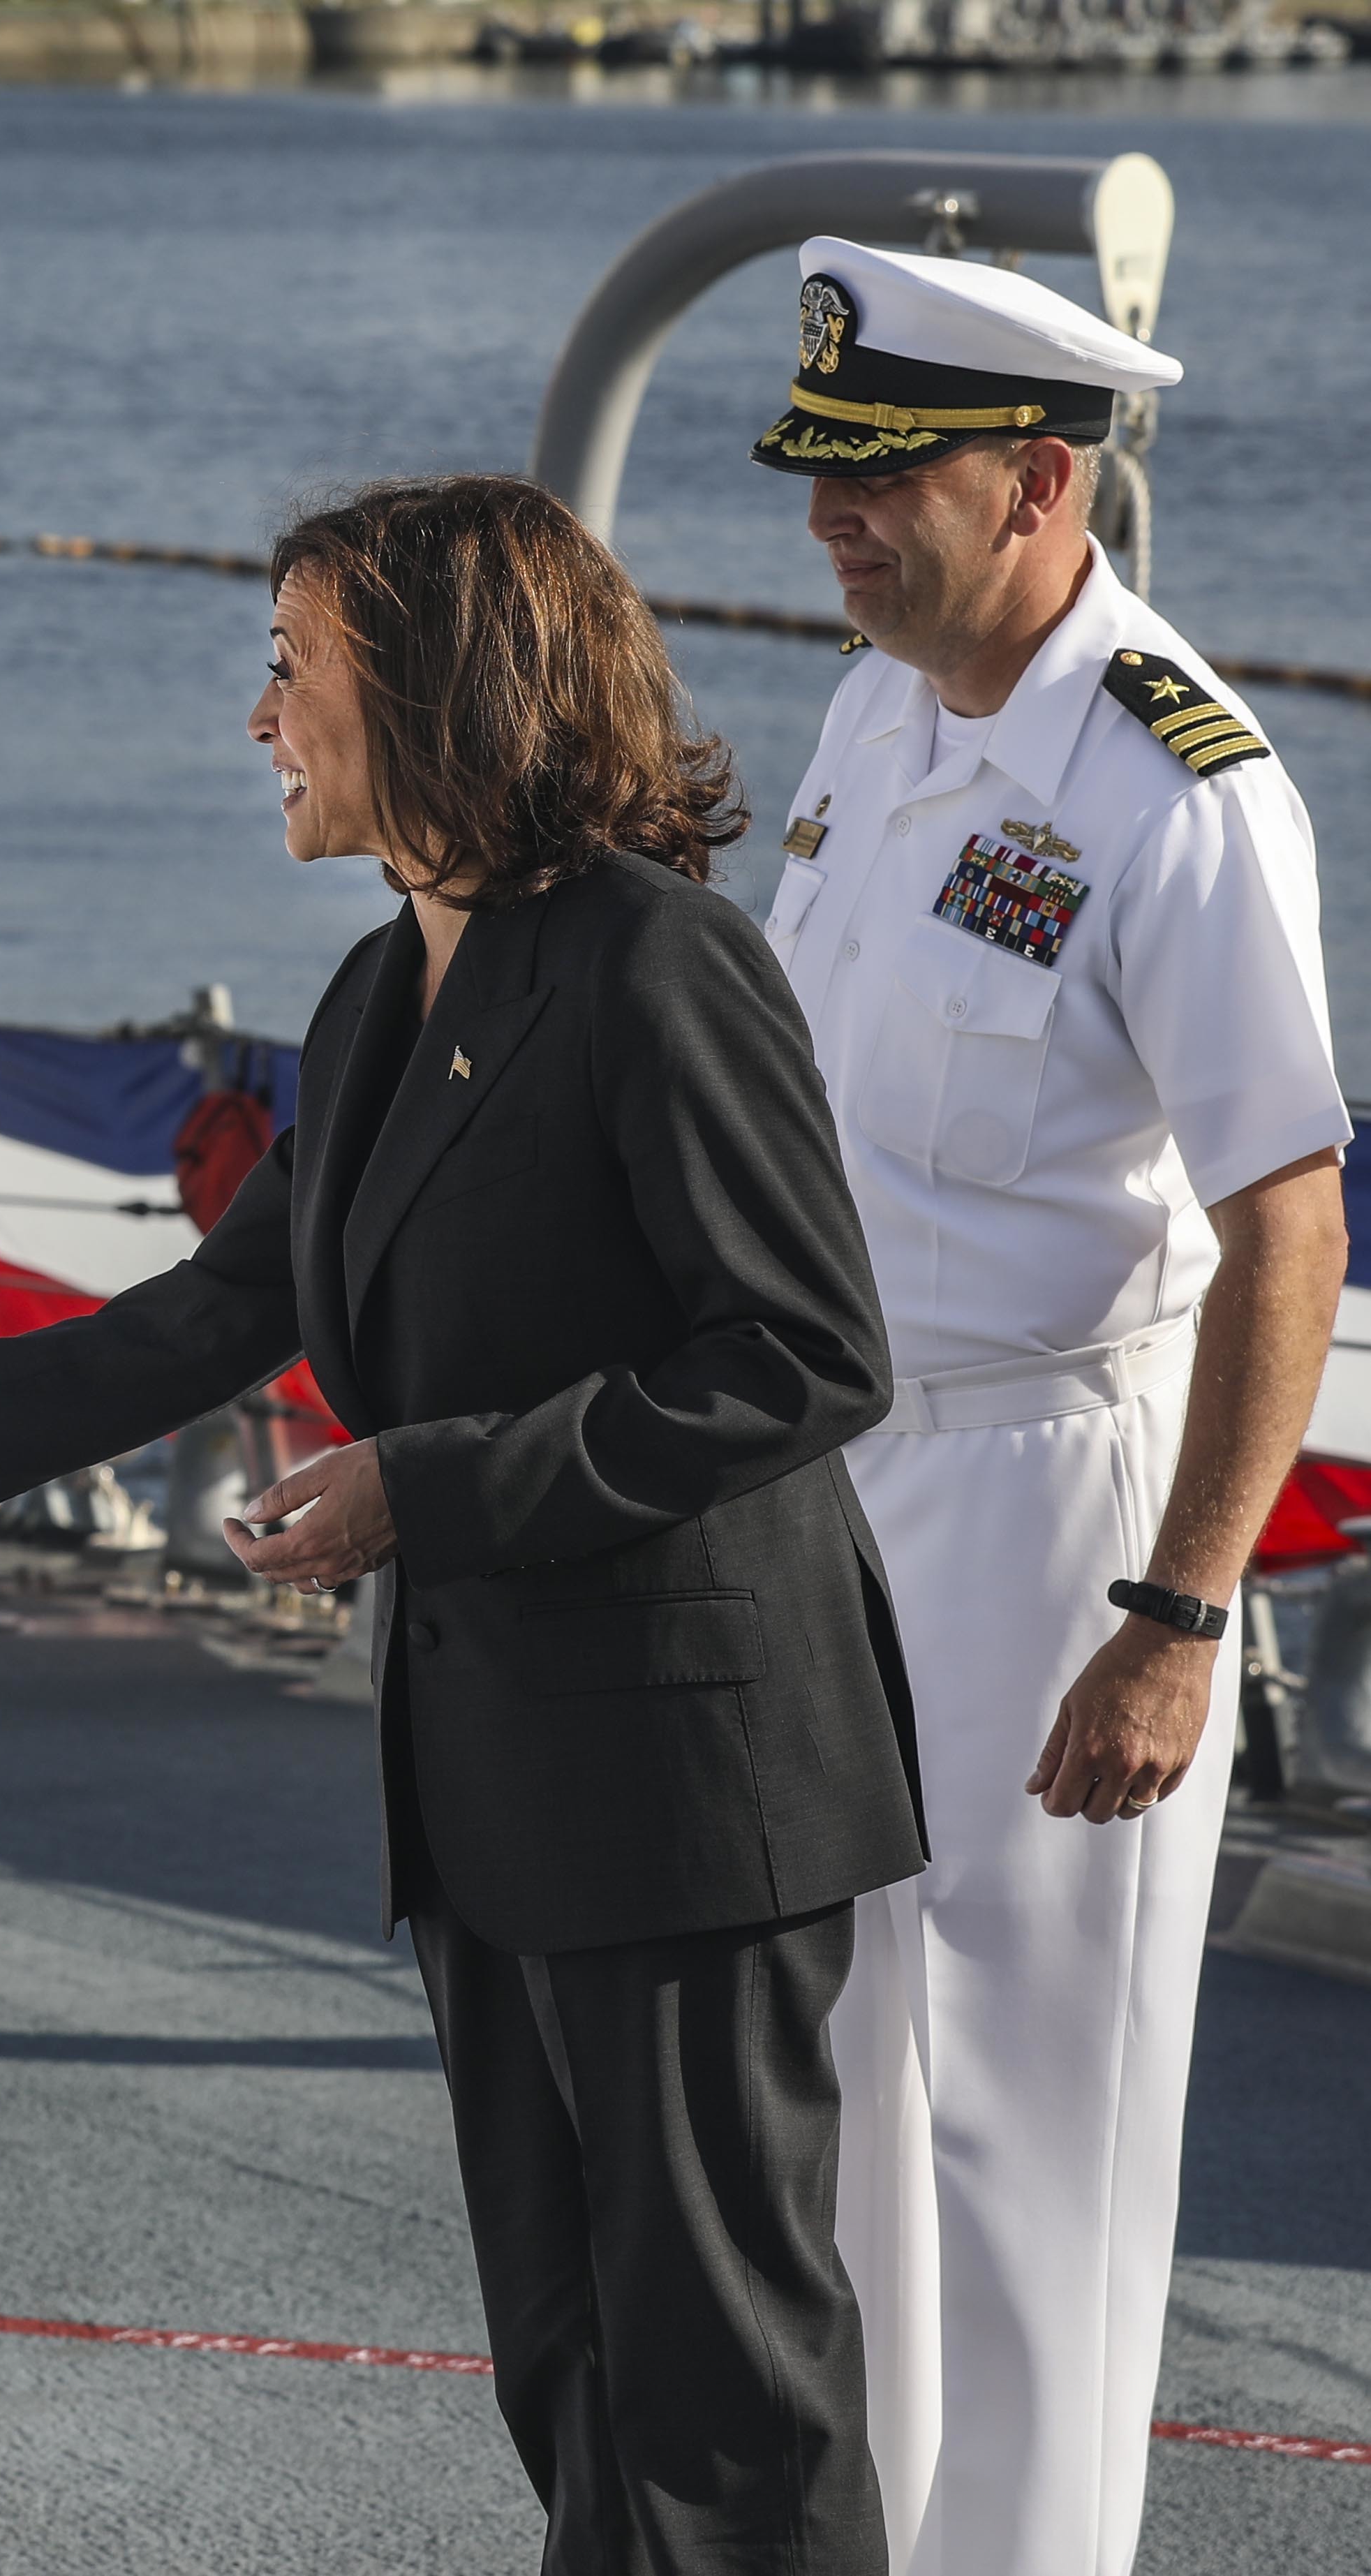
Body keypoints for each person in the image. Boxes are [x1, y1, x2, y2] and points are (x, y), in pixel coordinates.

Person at [0, 475, 929, 2575]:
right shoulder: (379, 995)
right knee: (571, 2361)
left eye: (289, 669)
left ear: (435, 691)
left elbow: (801, 1353)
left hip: (695, 1784)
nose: (258, 720)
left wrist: (426, 1485)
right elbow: (212, 1317)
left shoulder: (656, 966)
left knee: (722, 2389)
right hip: (508, 1776)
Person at [748, 239, 1347, 2576]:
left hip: (1043, 1501)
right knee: (842, 2099)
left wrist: (1176, 1609)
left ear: (1031, 477)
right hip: (825, 1481)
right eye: (815, 471)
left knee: (1028, 2123)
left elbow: (1281, 1224)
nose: (824, 518)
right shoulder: (870, 717)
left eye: (873, 478)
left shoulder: (1178, 789)